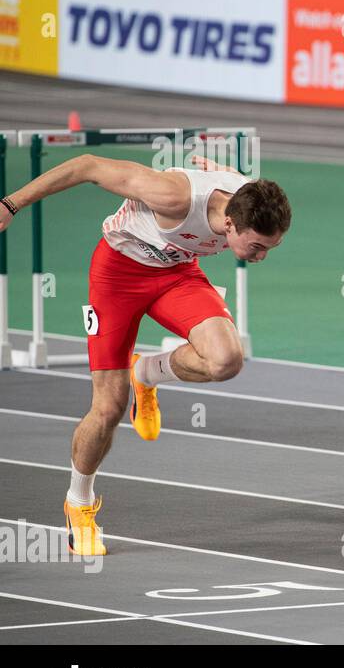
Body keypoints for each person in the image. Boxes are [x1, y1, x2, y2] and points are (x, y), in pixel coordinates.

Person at [0, 155, 291, 556]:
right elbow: (86, 166)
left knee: (227, 359)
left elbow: (236, 179)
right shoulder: (171, 196)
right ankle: (79, 503)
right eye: (256, 246)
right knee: (109, 406)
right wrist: (10, 204)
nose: (260, 257)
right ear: (229, 224)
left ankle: (147, 373)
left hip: (177, 274)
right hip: (117, 276)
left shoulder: (249, 195)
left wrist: (215, 165)